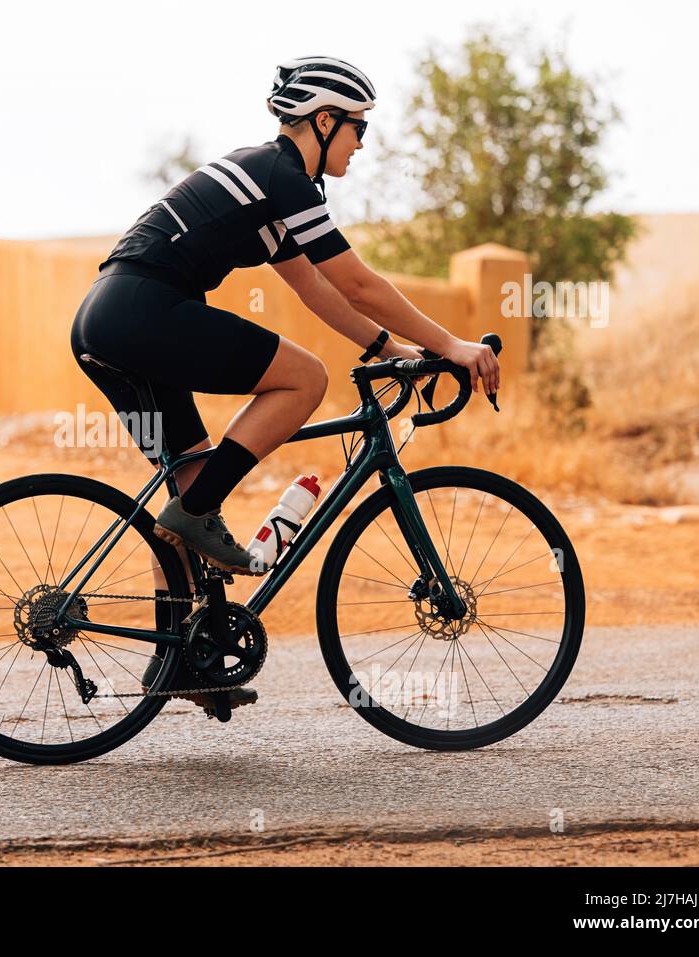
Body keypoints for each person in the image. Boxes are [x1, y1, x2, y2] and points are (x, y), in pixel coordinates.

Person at [69, 56, 501, 711]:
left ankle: (178, 661)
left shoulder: (266, 186)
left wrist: (395, 350)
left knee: (188, 484)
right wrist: (450, 345)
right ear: (323, 121)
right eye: (359, 127)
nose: (363, 143)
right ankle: (193, 515)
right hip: (141, 311)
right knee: (305, 379)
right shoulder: (280, 175)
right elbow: (358, 282)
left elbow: (318, 290)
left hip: (105, 322)